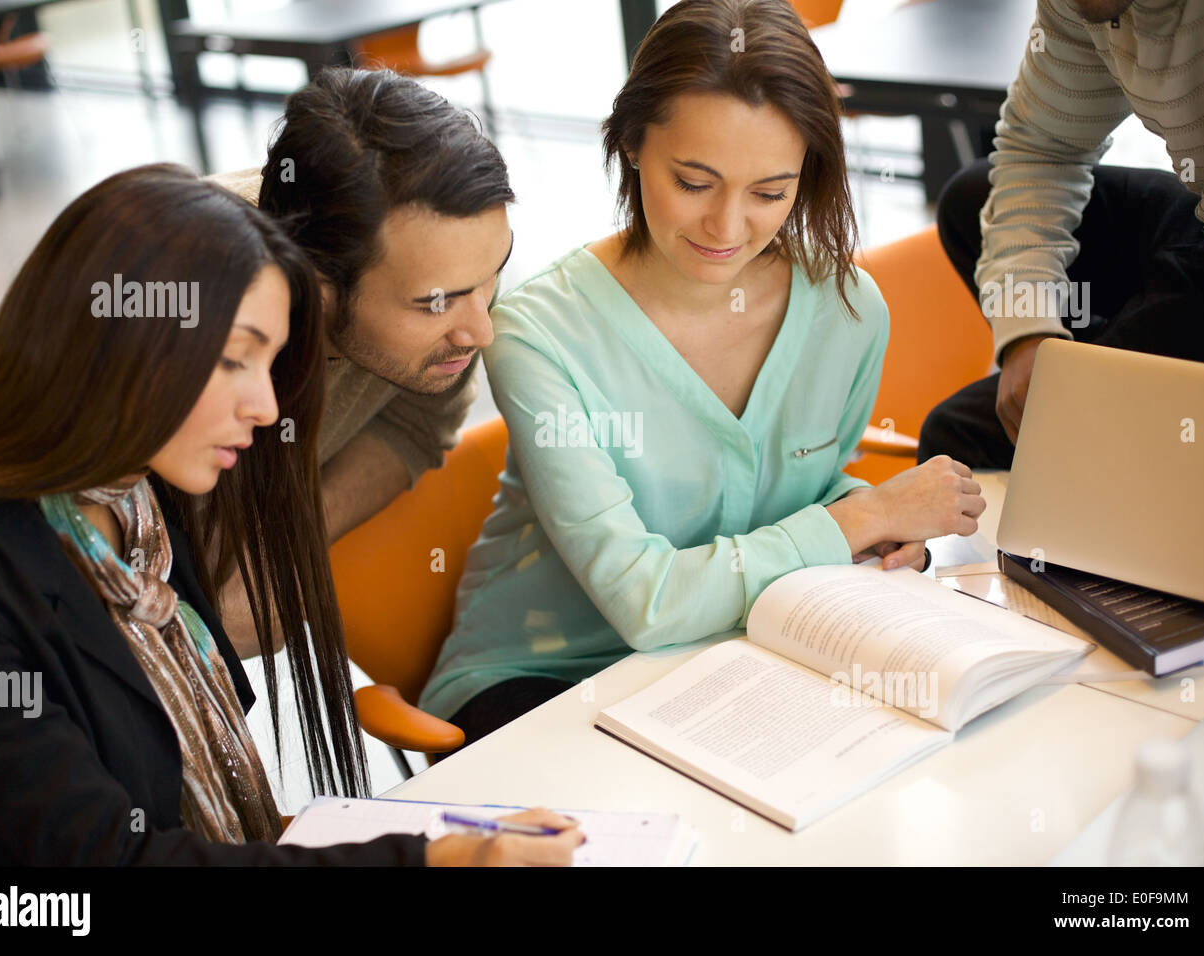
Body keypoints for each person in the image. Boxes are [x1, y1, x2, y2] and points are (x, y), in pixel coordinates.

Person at [0, 165, 581, 865]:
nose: (267, 408)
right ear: (116, 345)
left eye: (269, 364)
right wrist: (427, 861)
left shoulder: (139, 510)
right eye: (232, 361)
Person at [417, 0, 986, 745]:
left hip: (737, 648)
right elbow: (646, 605)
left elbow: (797, 494)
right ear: (629, 143)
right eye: (693, 182)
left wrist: (875, 525)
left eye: (769, 193)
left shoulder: (847, 308)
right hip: (547, 680)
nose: (726, 229)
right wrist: (866, 518)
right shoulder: (537, 332)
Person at [210, 67, 515, 659]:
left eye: (493, 274)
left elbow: (417, 422)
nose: (482, 329)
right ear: (317, 289)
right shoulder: (181, 328)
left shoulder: (451, 273)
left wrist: (289, 541)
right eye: (438, 303)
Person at [920, 0, 1204, 469]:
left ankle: (1122, 449)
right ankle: (1101, 387)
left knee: (961, 437)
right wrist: (1027, 330)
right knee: (970, 200)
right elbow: (1041, 150)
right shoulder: (1080, 5)